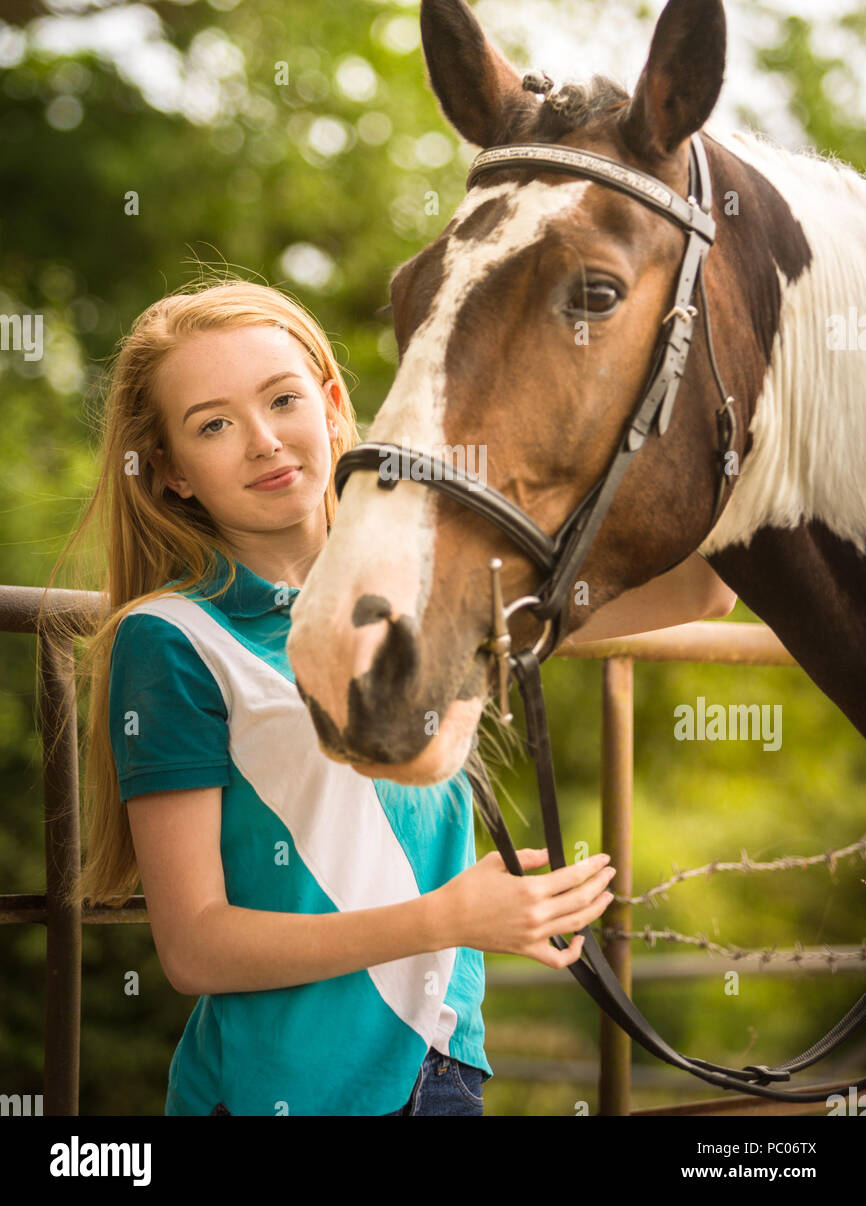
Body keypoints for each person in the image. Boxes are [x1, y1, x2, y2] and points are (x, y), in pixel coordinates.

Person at [49, 275, 735, 1117]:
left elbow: (702, 590)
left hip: (444, 1079)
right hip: (285, 1094)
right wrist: (450, 917)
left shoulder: (431, 594)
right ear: (172, 473)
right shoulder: (174, 641)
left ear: (333, 405)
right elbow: (195, 948)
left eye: (283, 399)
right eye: (215, 425)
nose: (263, 441)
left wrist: (688, 391)